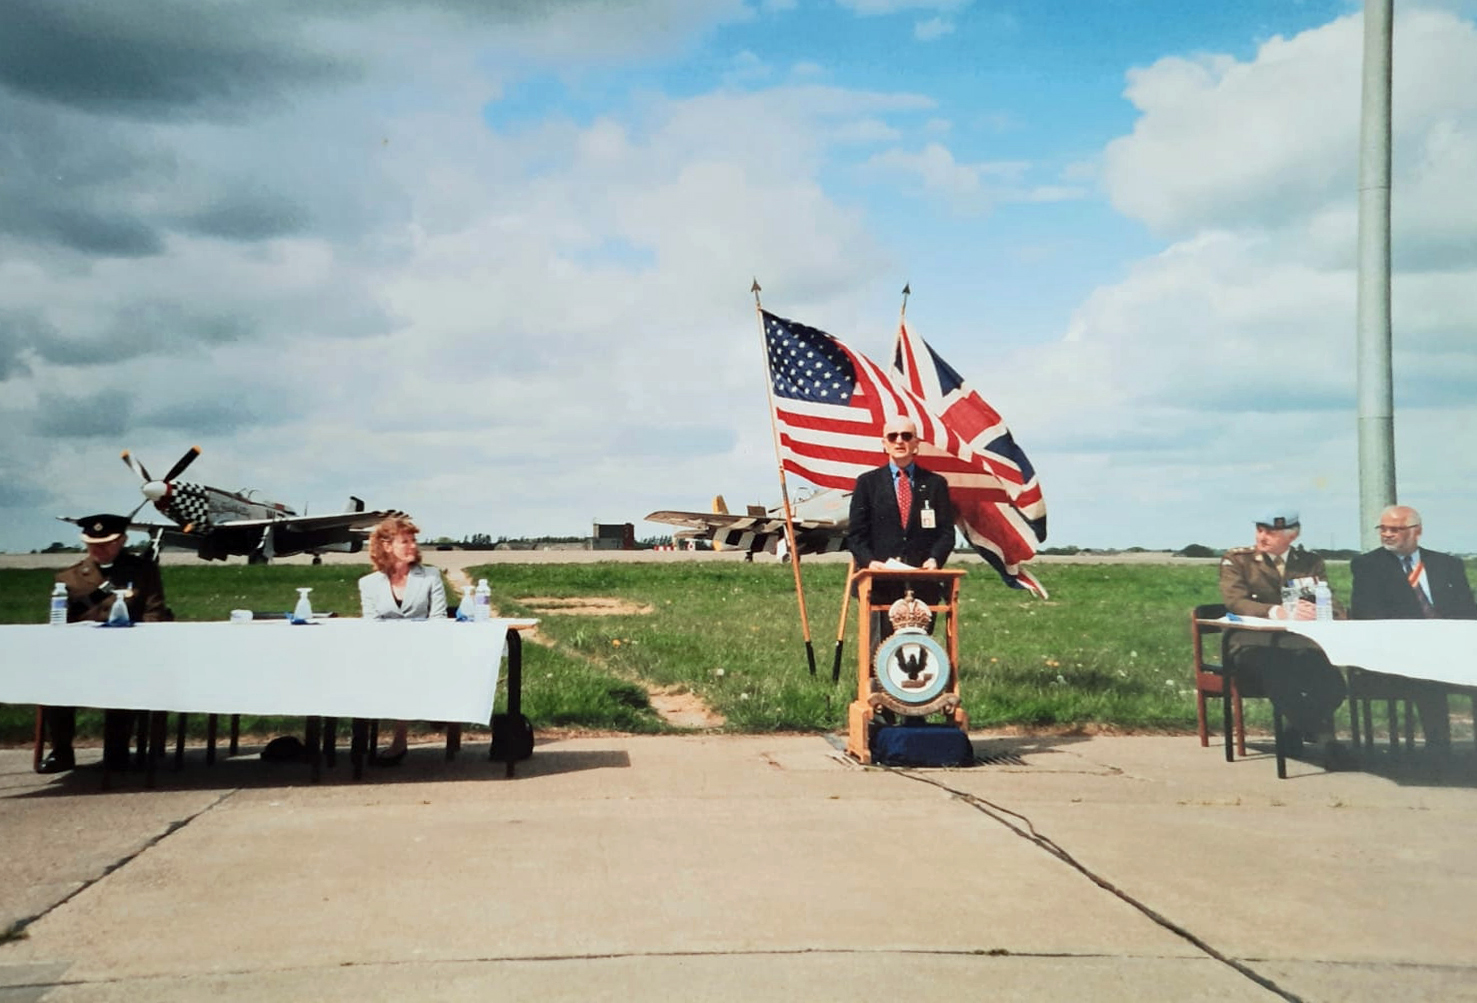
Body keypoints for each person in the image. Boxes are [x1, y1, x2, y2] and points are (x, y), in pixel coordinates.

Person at [40, 514, 172, 774]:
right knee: (53, 683)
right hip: (84, 658)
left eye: (106, 543)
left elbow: (154, 612)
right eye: (93, 544)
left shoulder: (143, 571)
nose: (98, 549)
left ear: (122, 540)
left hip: (129, 655)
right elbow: (61, 624)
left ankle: (117, 751)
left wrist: (141, 644)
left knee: (123, 681)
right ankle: (61, 751)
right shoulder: (69, 578)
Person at [1218, 509, 1351, 765]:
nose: (1262, 537)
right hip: (1252, 643)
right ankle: (1326, 740)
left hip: (1298, 642)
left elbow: (1328, 598)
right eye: (1260, 530)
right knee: (1280, 675)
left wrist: (1321, 611)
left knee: (1333, 683)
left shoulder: (1309, 562)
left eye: (1271, 532)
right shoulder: (1238, 560)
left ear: (1292, 535)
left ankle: (1293, 729)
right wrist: (1275, 611)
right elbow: (1236, 601)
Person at [1350, 504, 1477, 751]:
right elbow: (1367, 613)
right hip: (1404, 652)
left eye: (1395, 529)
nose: (1387, 534)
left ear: (1416, 531)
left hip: (1450, 647)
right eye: (1383, 528)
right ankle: (1438, 751)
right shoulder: (1368, 565)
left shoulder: (1447, 564)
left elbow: (1466, 610)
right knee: (1428, 677)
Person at [845, 416, 956, 641]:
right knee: (880, 652)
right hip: (878, 585)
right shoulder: (867, 483)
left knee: (916, 650)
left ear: (916, 443)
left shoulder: (935, 484)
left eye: (906, 436)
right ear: (884, 443)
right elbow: (855, 536)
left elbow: (946, 533)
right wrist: (869, 562)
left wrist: (934, 559)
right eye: (892, 436)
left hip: (922, 584)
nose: (899, 441)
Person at [358, 515, 447, 765]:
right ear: (387, 546)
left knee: (406, 668)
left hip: (424, 649)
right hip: (385, 651)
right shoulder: (368, 584)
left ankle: (400, 740)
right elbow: (371, 624)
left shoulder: (430, 576)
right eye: (405, 541)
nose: (413, 546)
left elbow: (438, 619)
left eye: (413, 541)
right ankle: (361, 741)